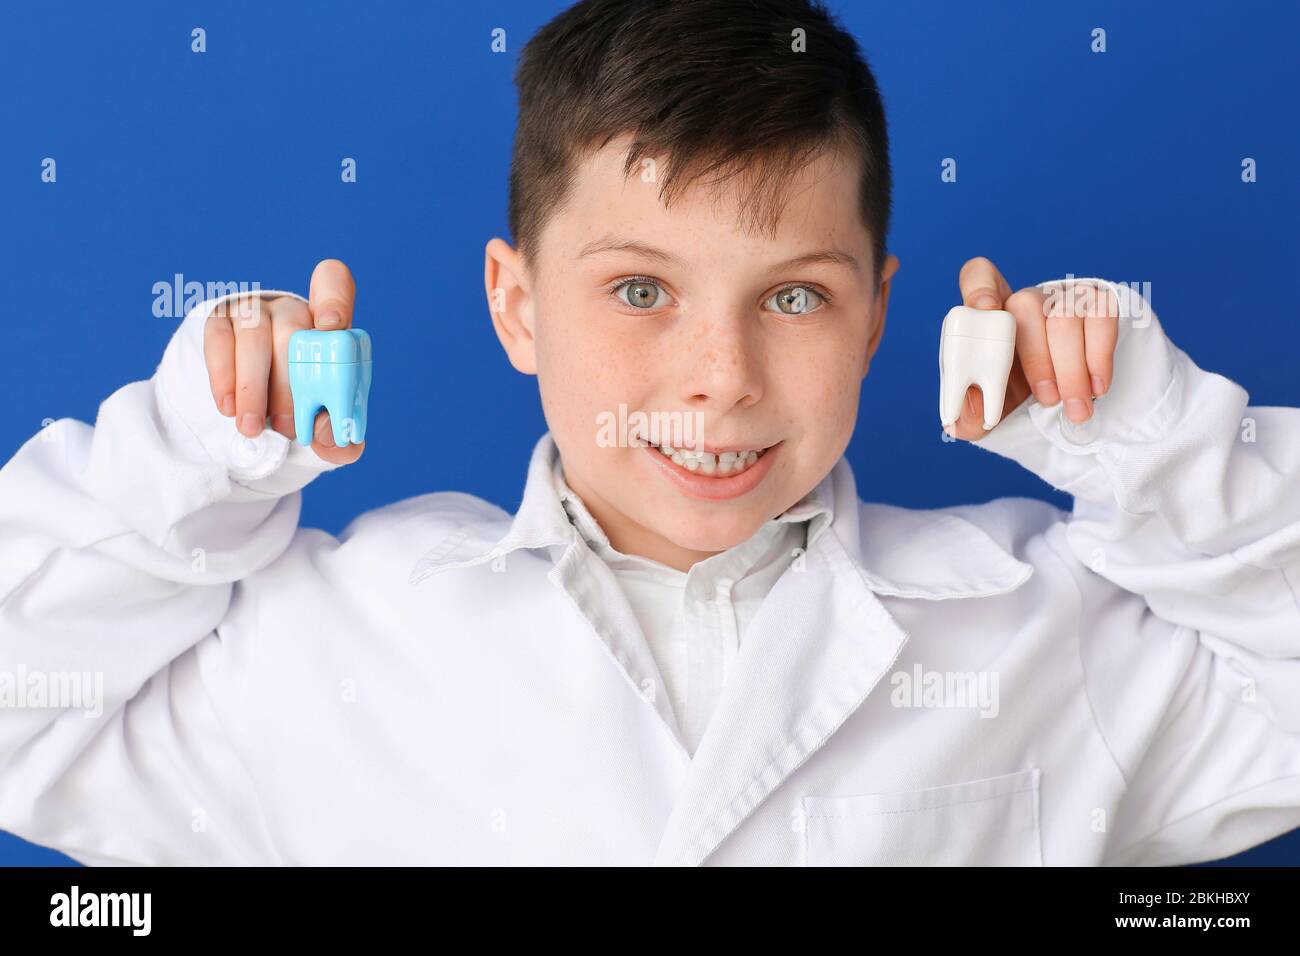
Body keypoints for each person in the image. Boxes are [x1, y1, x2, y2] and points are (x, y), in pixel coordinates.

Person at [1, 0, 1297, 865]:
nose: (719, 378)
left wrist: (1149, 441)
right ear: (515, 305)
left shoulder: (1039, 632)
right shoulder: (325, 643)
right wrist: (190, 448)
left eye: (794, 296)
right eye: (639, 291)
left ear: (877, 319)